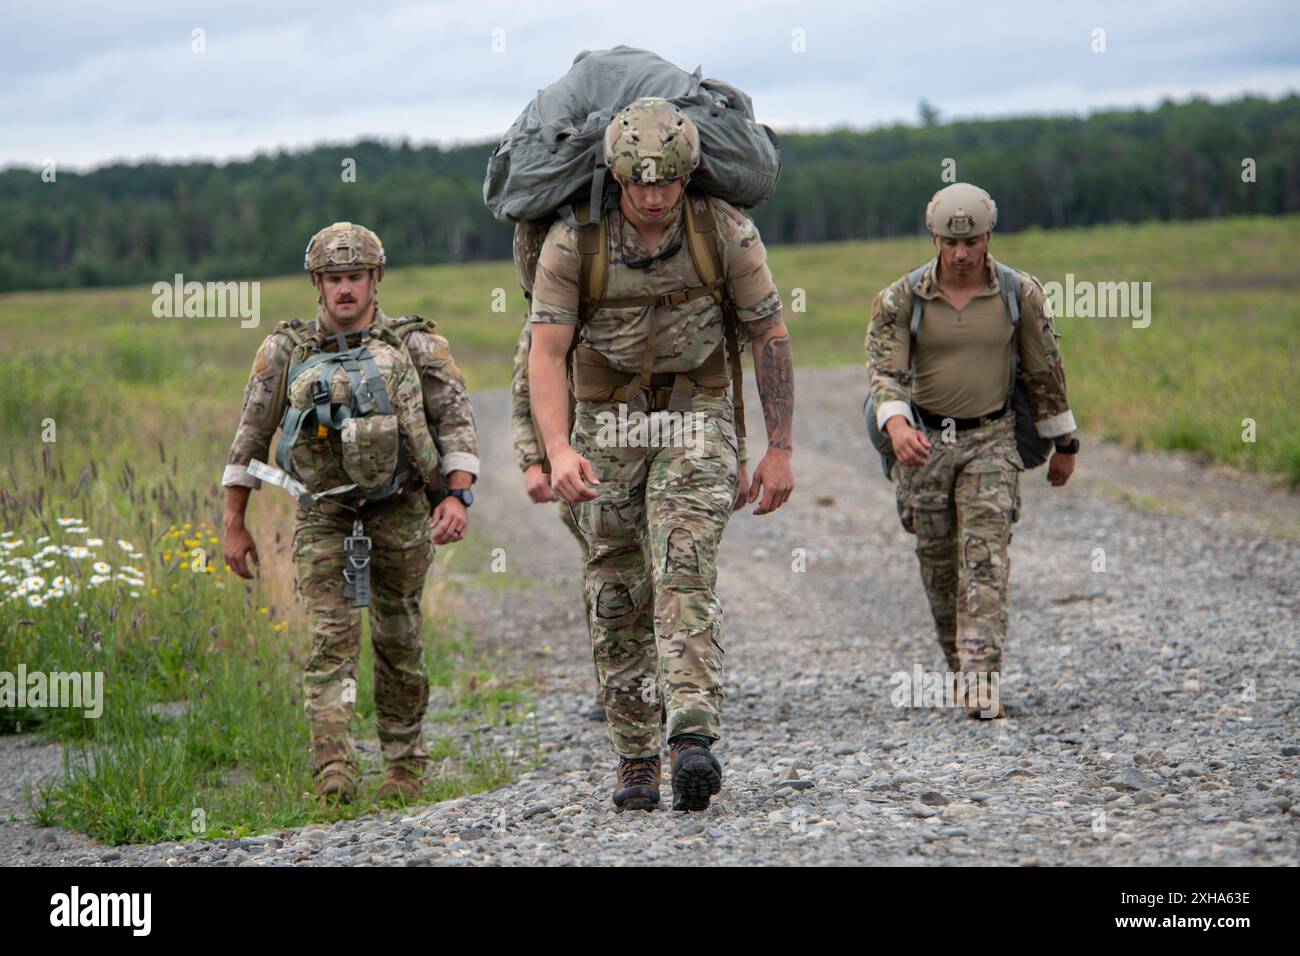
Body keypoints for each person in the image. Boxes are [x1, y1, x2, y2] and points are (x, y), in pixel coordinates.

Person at [529, 98, 795, 811]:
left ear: (688, 177)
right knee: (617, 591)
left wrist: (780, 450)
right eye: (639, 183)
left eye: (668, 183)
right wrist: (555, 448)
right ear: (616, 177)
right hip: (606, 423)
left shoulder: (726, 233)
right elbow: (547, 352)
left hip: (696, 416)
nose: (653, 197)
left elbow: (770, 335)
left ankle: (692, 738)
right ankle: (636, 757)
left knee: (683, 561)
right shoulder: (571, 245)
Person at [221, 222, 480, 801]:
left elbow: (455, 422)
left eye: (355, 277)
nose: (345, 290)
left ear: (375, 278)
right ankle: (334, 773)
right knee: (330, 641)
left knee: (399, 636)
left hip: (400, 508)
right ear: (317, 282)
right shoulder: (284, 351)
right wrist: (234, 524)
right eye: (334, 278)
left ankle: (404, 766)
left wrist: (457, 497)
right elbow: (249, 438)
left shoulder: (416, 345)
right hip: (324, 514)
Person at [865, 183, 1079, 717]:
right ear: (934, 237)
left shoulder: (1018, 293)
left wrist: (1065, 444)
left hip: (992, 439)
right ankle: (960, 670)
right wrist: (896, 426)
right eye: (950, 242)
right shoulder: (902, 298)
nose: (961, 254)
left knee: (983, 558)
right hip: (925, 443)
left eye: (973, 242)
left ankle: (983, 680)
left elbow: (1044, 369)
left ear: (988, 237)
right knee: (938, 565)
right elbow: (885, 373)